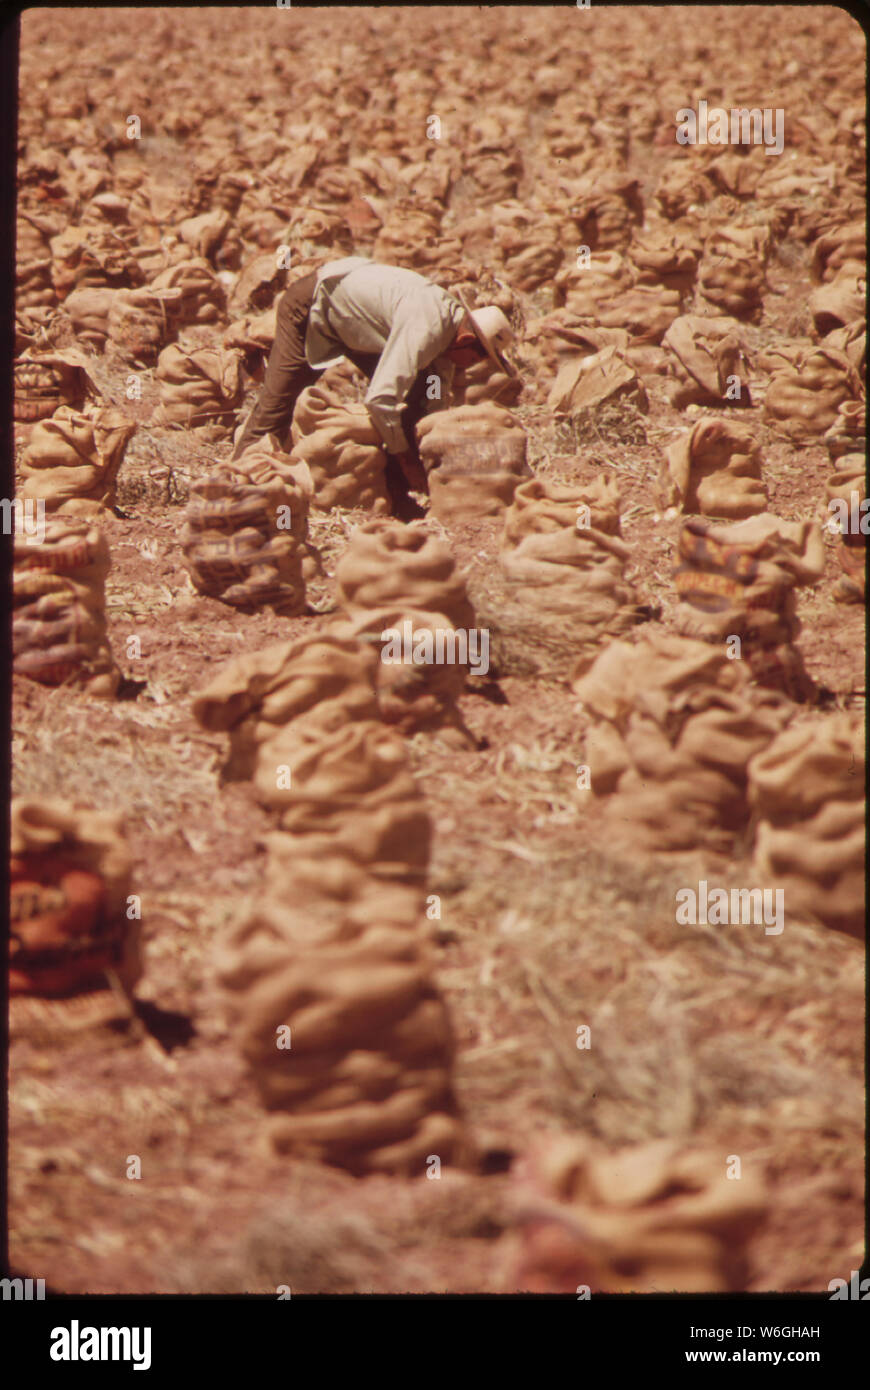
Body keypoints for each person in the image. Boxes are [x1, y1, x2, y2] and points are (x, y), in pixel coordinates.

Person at [231, 256, 517, 518]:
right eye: (480, 357)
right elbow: (380, 399)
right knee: (277, 408)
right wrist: (405, 457)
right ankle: (236, 489)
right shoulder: (428, 327)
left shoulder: (447, 336)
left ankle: (397, 497)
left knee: (415, 402)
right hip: (313, 307)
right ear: (467, 341)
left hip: (356, 323)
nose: (473, 365)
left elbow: (434, 393)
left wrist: (430, 441)